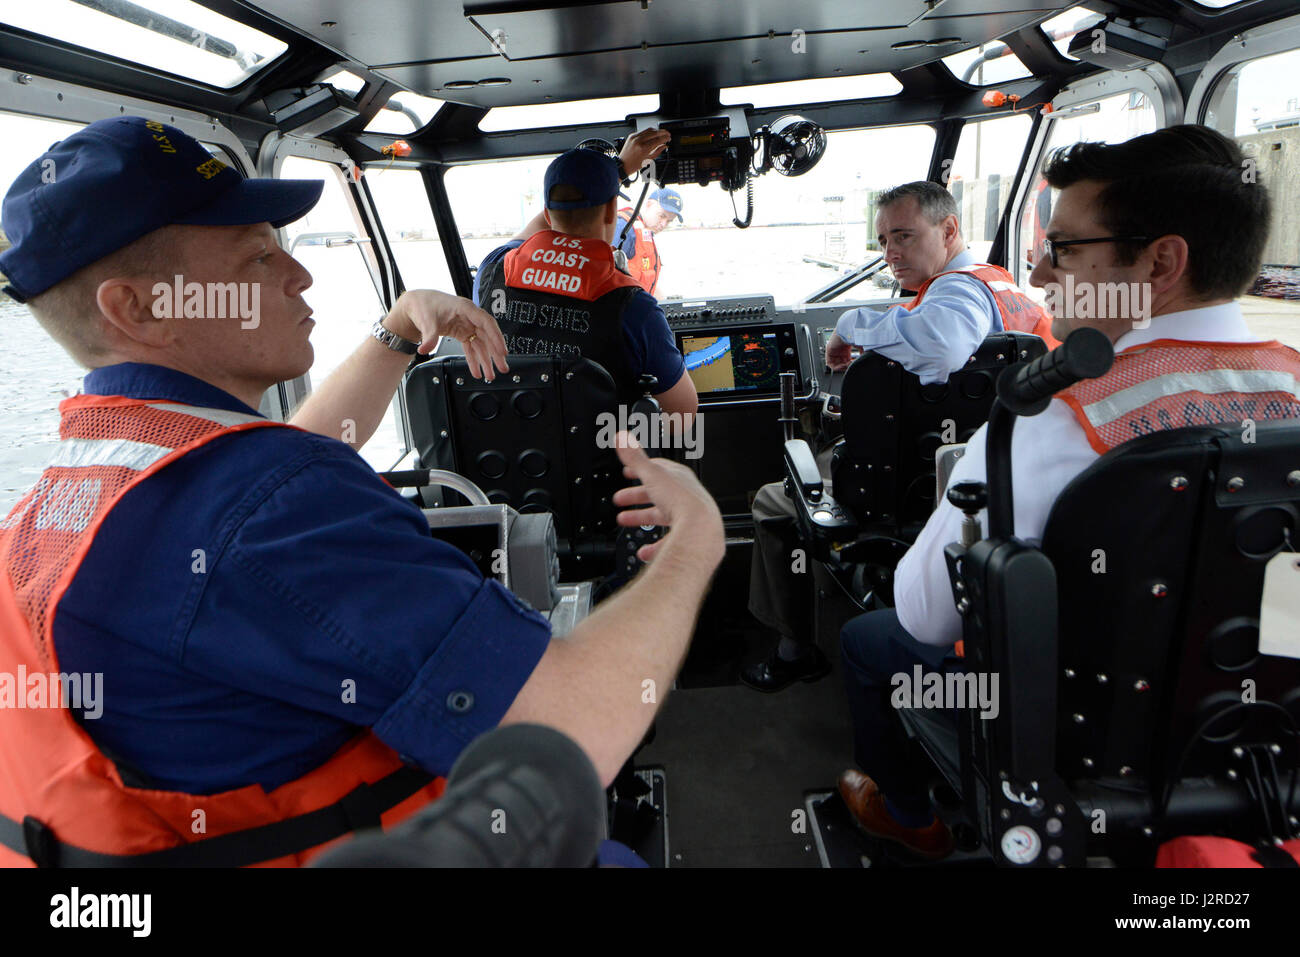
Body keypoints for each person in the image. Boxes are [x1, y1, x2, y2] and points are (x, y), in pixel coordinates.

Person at [0, 116, 724, 866]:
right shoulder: (272, 508)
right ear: (138, 309)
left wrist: (399, 331)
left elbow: (263, 485)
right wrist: (695, 539)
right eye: (257, 257)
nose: (300, 274)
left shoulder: (66, 500)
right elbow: (569, 736)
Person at [836, 124, 1300, 859]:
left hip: (1075, 756)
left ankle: (908, 815)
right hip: (1265, 750)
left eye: (1066, 249)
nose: (1044, 275)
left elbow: (925, 615)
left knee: (868, 640)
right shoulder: (1295, 384)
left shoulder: (1053, 414)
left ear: (1161, 262)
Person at [743, 181, 1052, 692]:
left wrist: (849, 323)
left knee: (775, 500)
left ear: (950, 229)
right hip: (996, 482)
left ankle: (793, 648)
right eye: (884, 240)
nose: (891, 254)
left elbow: (942, 348)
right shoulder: (1006, 288)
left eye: (905, 236)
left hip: (909, 490)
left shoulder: (957, 289)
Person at [471, 132, 696, 416]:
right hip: (600, 455)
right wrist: (616, 172)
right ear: (612, 210)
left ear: (548, 214)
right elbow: (682, 418)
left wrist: (616, 171)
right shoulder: (634, 307)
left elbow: (535, 228)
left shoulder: (493, 270)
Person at [616, 187, 683, 298]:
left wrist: (665, 301)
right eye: (662, 216)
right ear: (648, 205)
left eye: (669, 221)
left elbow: (645, 281)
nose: (663, 224)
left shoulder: (645, 234)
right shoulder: (625, 228)